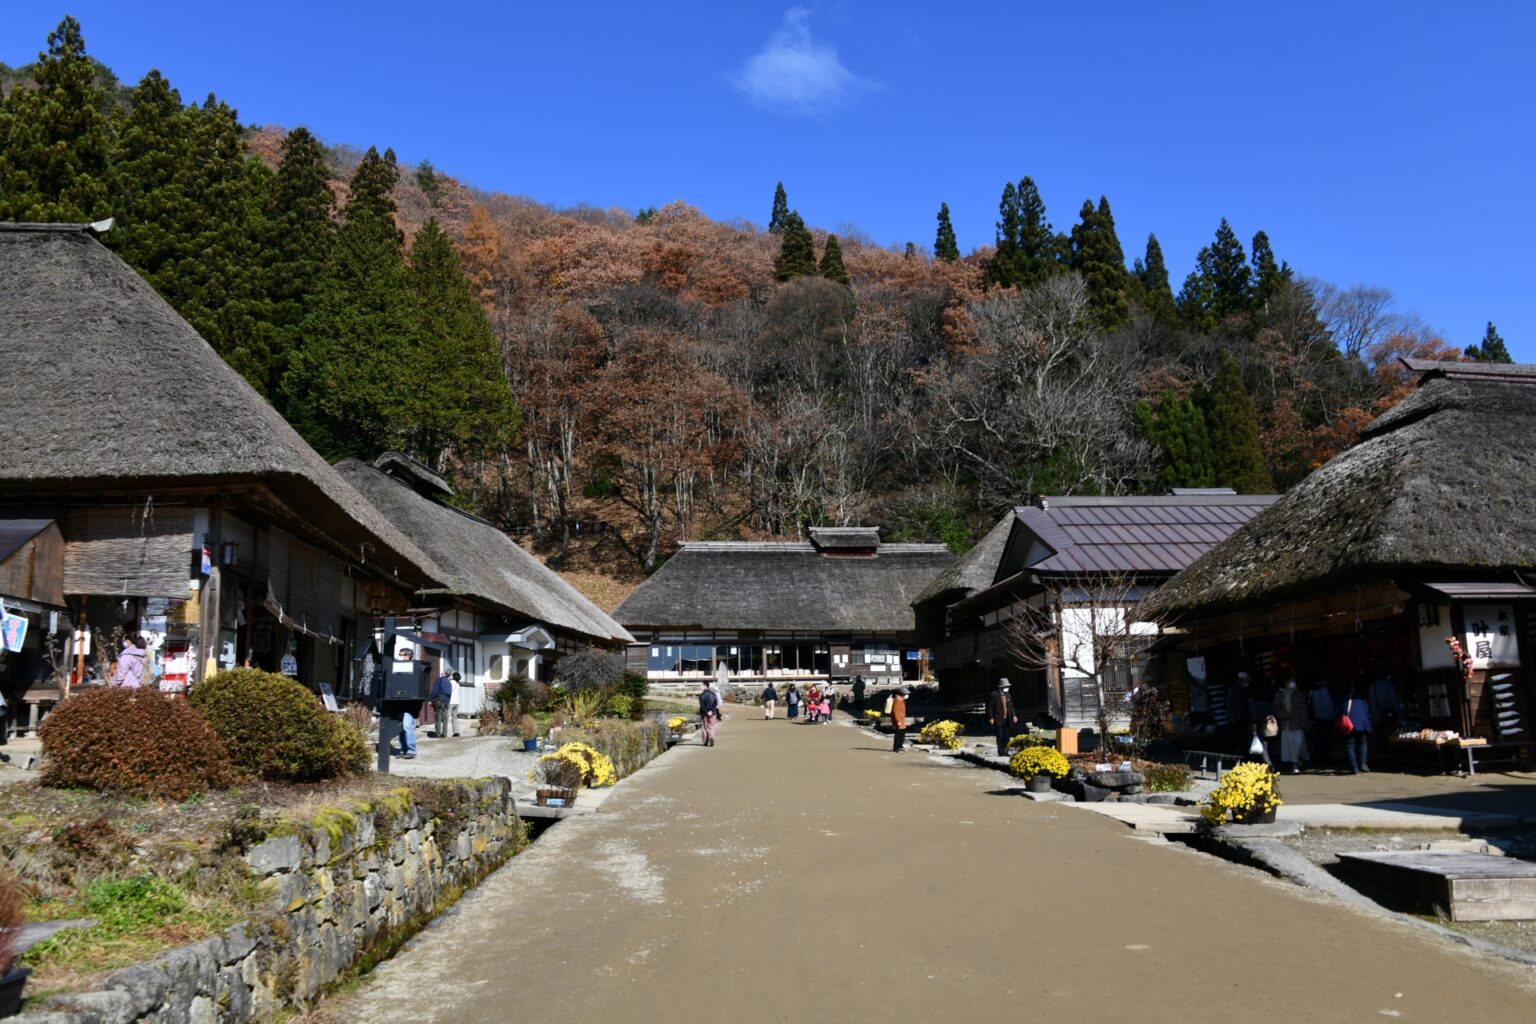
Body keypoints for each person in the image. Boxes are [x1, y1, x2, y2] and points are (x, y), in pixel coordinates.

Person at [1274, 678, 1309, 774]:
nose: (1292, 683)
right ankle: (1289, 763)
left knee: (1297, 744)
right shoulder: (1279, 694)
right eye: (1290, 681)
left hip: (1297, 722)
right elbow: (1277, 708)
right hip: (1286, 723)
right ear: (1285, 682)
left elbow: (1303, 708)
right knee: (1287, 745)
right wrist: (1284, 715)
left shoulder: (1298, 693)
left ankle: (1296, 763)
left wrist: (1304, 722)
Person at [1340, 685, 1373, 773]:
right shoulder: (1361, 699)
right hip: (1363, 724)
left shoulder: (1344, 699)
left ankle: (1354, 767)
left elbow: (1341, 711)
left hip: (1350, 724)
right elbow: (1367, 710)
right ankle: (1363, 764)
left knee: (1350, 745)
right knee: (1363, 744)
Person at [986, 677, 1019, 756]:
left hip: (1007, 718)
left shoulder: (1007, 694)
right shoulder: (994, 695)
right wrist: (991, 718)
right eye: (1005, 686)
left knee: (1007, 736)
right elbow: (989, 708)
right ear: (1001, 687)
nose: (1007, 688)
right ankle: (1000, 752)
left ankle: (1006, 751)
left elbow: (1011, 706)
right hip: (998, 718)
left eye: (1007, 686)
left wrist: (1014, 715)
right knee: (1000, 736)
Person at [1308, 679, 1335, 768]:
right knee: (1326, 739)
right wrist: (1332, 715)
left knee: (1318, 738)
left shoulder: (1312, 691)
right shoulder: (1324, 690)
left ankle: (1318, 756)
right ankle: (1324, 757)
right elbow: (1327, 704)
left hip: (1316, 716)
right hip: (1325, 717)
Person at [1226, 672, 1253, 755]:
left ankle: (1243, 754)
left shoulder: (1246, 689)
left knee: (1243, 737)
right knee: (1235, 737)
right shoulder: (1233, 689)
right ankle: (1232, 755)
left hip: (1245, 717)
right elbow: (1229, 704)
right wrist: (1232, 717)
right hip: (1237, 717)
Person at [431, 670, 454, 738]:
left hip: (440, 700)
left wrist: (431, 698)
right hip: (447, 701)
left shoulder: (439, 680)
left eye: (443, 671)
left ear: (444, 673)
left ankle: (438, 733)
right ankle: (444, 733)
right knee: (445, 718)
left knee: (438, 717)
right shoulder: (449, 682)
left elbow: (435, 690)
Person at [698, 681, 721, 747]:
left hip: (704, 714)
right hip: (713, 713)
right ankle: (711, 737)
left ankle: (705, 740)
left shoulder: (702, 695)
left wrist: (706, 711)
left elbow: (702, 705)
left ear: (705, 685)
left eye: (701, 685)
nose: (700, 686)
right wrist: (711, 710)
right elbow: (716, 704)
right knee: (712, 726)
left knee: (705, 727)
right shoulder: (713, 694)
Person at [891, 687, 910, 752]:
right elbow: (895, 711)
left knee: (902, 733)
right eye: (906, 694)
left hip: (901, 719)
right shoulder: (898, 700)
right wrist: (898, 720)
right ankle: (896, 748)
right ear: (902, 694)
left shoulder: (901, 700)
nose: (907, 695)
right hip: (899, 720)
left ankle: (900, 745)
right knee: (898, 734)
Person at [444, 672, 462, 738]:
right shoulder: (458, 684)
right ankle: (456, 732)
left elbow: (446, 684)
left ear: (453, 676)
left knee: (446, 716)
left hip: (450, 702)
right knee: (455, 717)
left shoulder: (451, 682)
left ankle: (444, 732)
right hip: (457, 702)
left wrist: (449, 678)